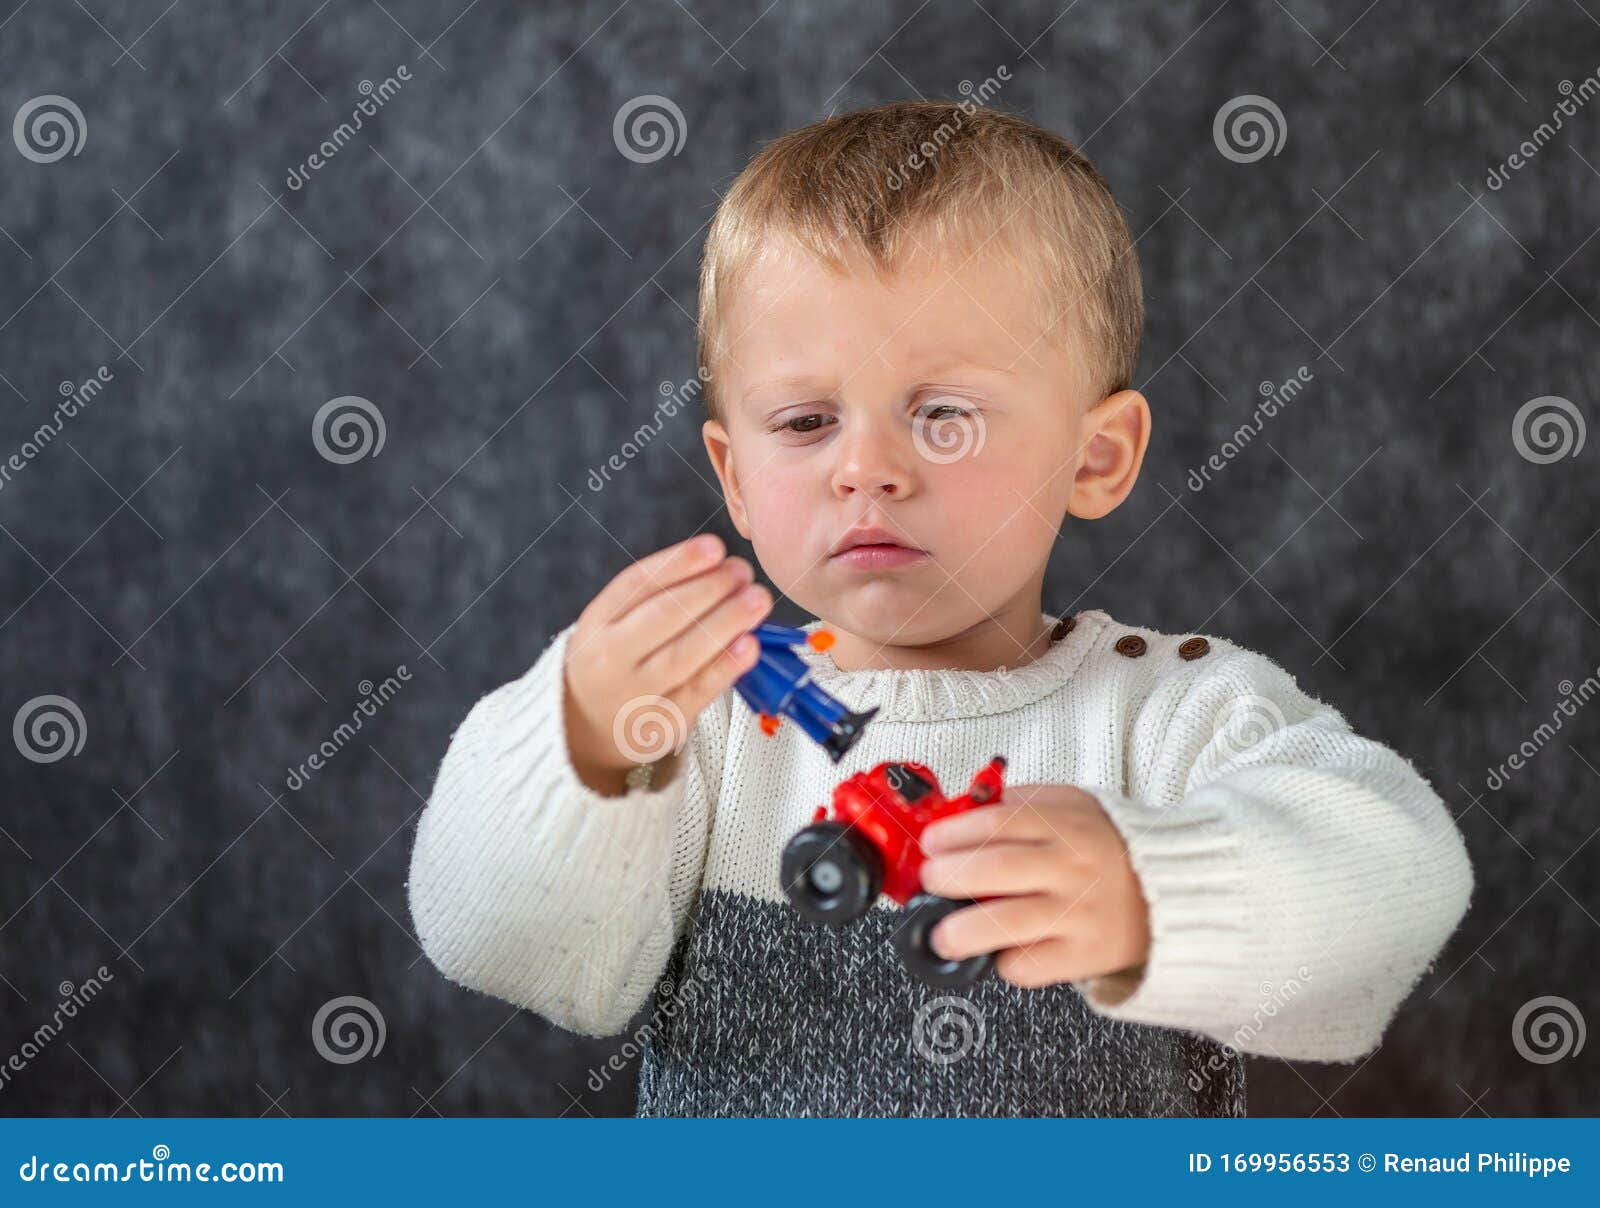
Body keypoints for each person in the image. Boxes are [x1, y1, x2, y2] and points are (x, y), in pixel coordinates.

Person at [408, 100, 1473, 1116]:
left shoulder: (1174, 715)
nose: (866, 468)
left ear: (1095, 457)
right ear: (733, 479)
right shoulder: (701, 716)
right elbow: (511, 947)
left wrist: (1158, 887)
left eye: (944, 414)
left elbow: (1396, 877)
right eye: (806, 419)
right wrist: (584, 742)